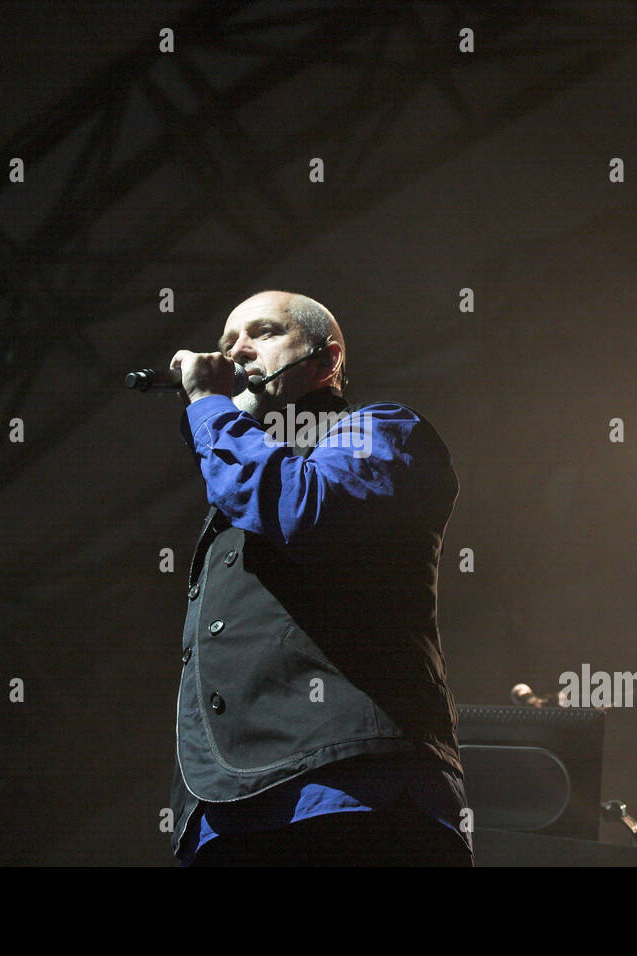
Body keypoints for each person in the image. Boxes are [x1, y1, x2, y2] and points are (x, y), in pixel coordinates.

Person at [167, 290, 471, 866]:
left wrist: (207, 403)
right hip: (229, 811)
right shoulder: (238, 474)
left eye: (261, 333)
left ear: (324, 361)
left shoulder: (380, 430)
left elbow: (304, 510)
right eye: (228, 341)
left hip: (352, 788)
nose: (237, 352)